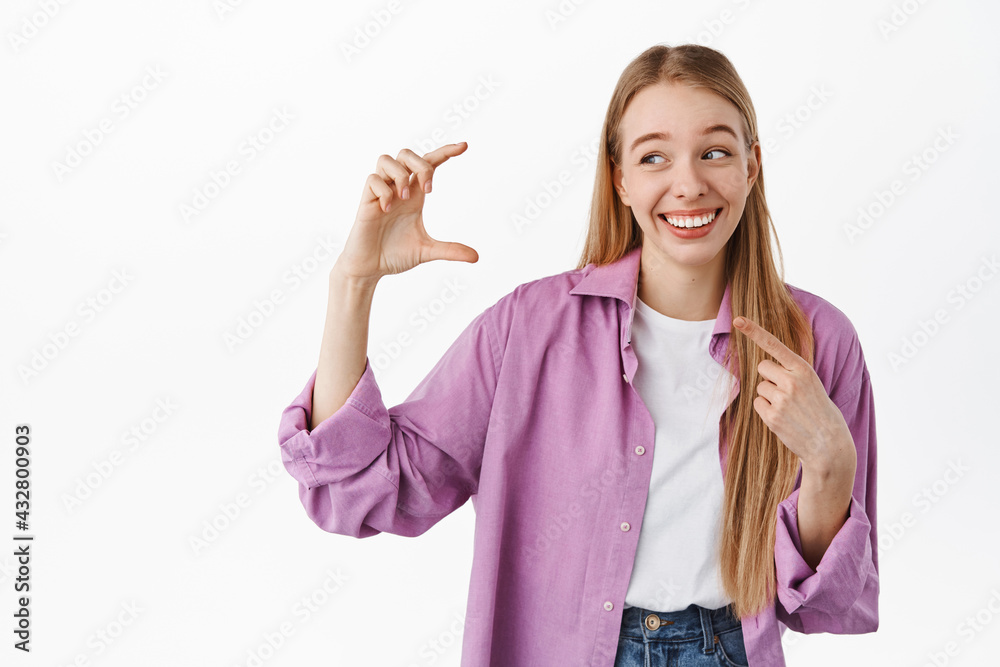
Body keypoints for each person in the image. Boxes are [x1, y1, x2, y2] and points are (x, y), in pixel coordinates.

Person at [277, 43, 878, 667]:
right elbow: (359, 495)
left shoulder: (818, 342)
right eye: (654, 157)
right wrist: (354, 282)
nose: (689, 184)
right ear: (620, 178)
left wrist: (832, 462)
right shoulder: (529, 329)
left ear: (752, 166)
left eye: (716, 152)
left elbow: (828, 606)